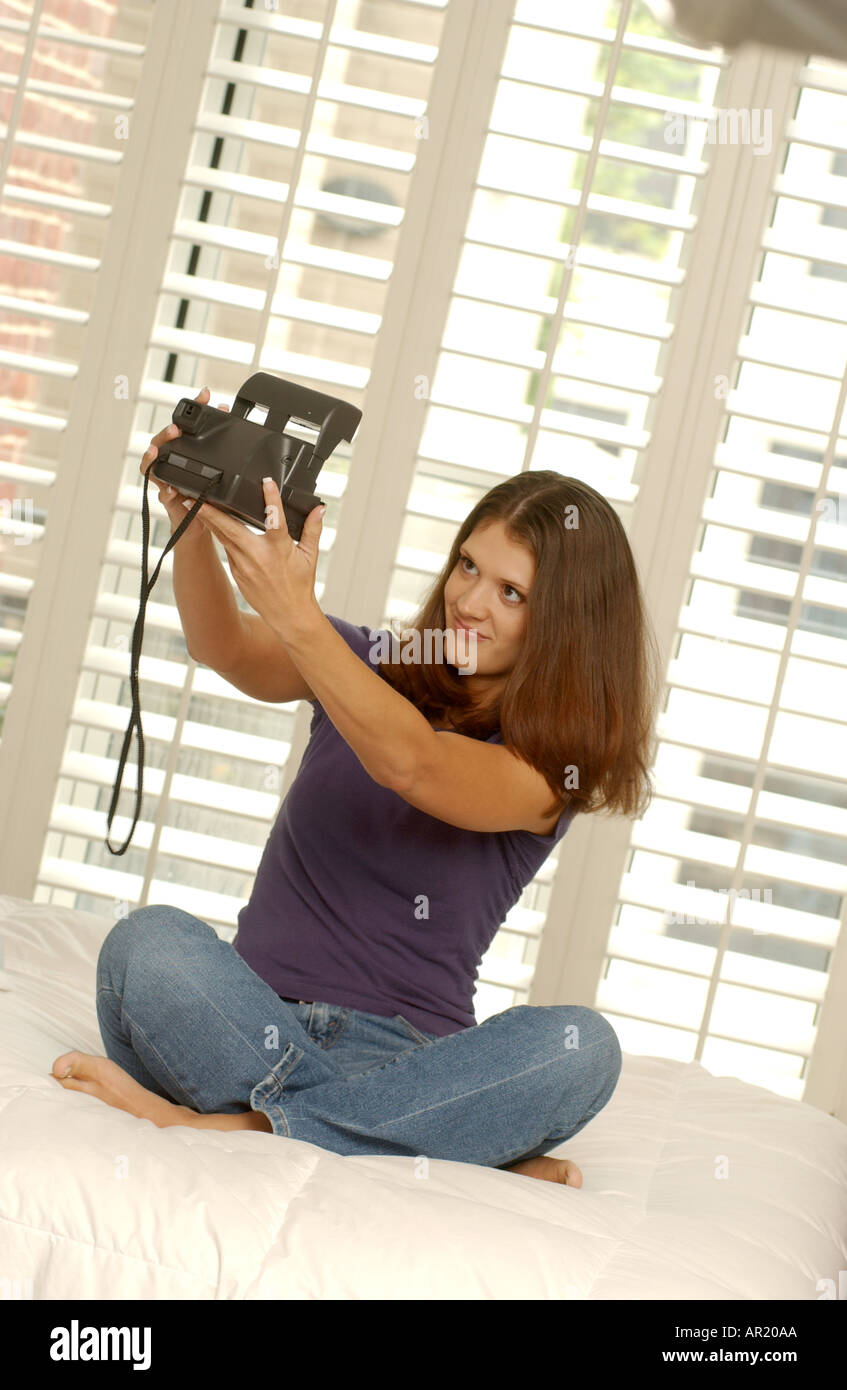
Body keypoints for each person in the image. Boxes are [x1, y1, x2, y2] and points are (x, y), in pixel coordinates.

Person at [52, 387, 661, 1188]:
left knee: (582, 1046)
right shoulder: (368, 661)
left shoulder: (546, 771)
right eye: (468, 566)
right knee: (146, 943)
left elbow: (412, 763)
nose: (470, 601)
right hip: (248, 1021)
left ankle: (242, 1127)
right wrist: (191, 524)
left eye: (510, 593)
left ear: (564, 624)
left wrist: (300, 617)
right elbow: (225, 645)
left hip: (406, 1052)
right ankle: (423, 1138)